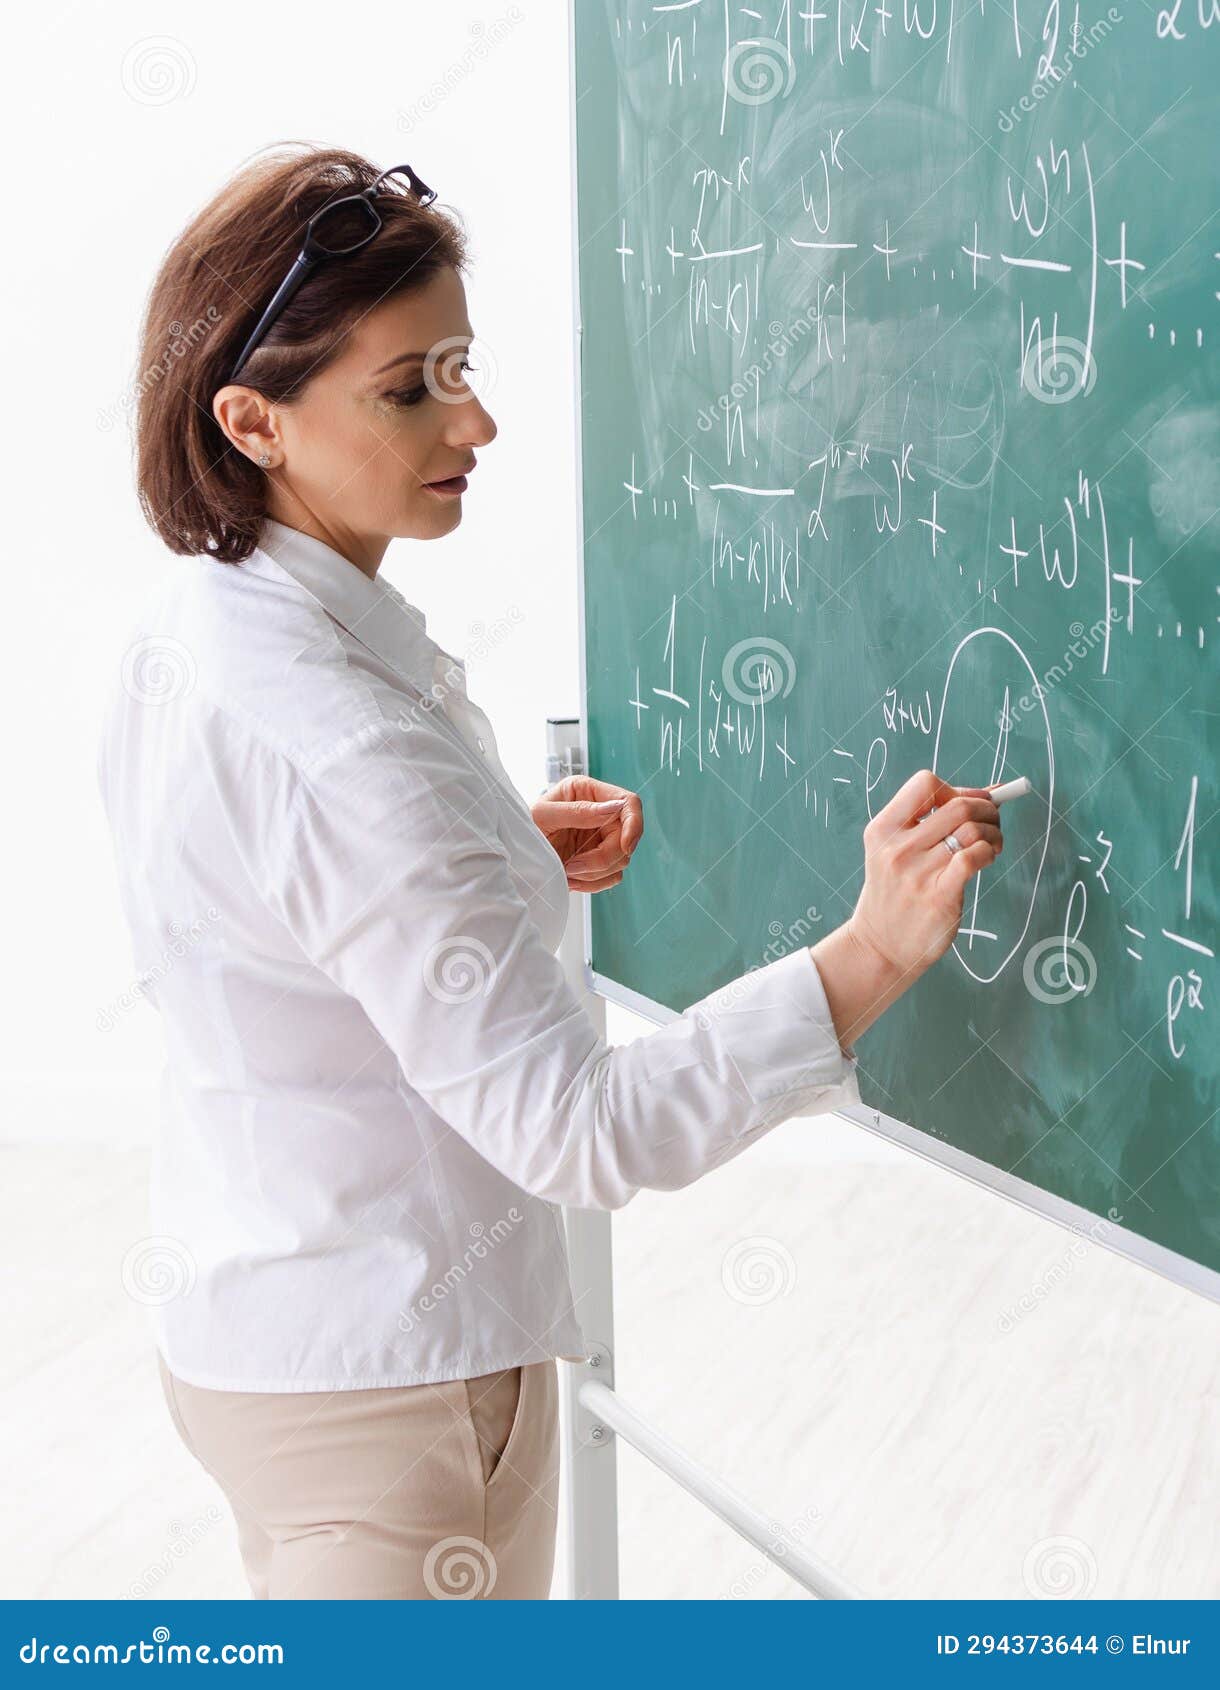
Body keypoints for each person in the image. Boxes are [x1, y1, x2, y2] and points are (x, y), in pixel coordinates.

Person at [97, 145, 1003, 1601]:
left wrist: (491, 857)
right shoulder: (349, 754)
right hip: (394, 1406)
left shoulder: (200, 623)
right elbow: (579, 1132)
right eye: (409, 388)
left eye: (461, 361)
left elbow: (256, 910)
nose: (480, 418)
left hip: (258, 1341)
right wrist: (870, 956)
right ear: (252, 419)